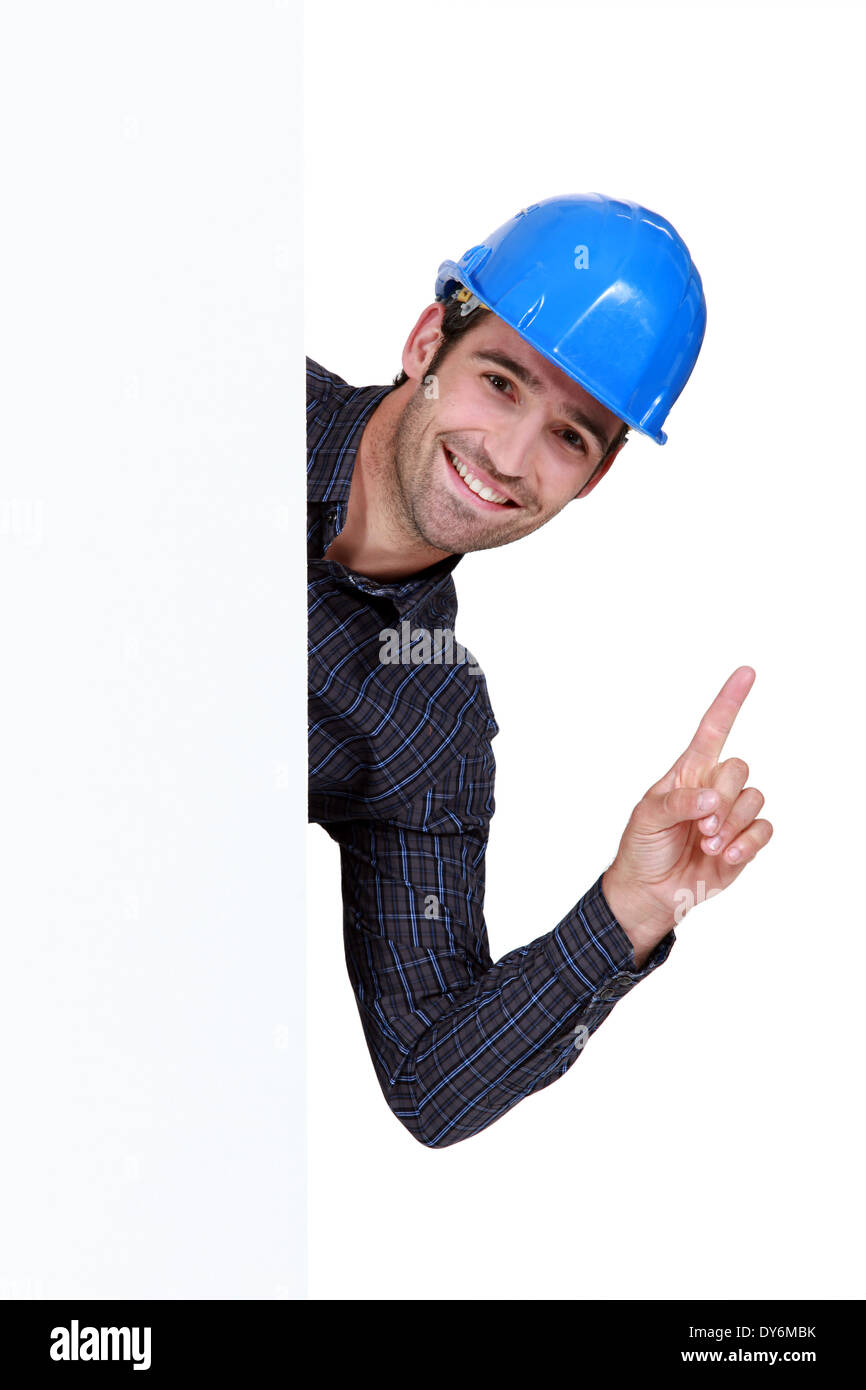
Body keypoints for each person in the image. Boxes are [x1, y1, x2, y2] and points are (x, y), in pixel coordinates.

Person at [307, 194, 772, 1148]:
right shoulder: (199, 389)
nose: (509, 457)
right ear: (428, 339)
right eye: (502, 382)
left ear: (593, 479)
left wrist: (632, 907)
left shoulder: (424, 722)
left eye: (570, 436)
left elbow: (431, 1080)